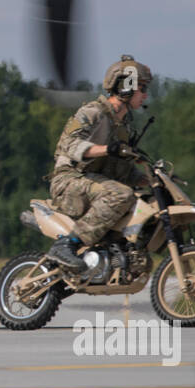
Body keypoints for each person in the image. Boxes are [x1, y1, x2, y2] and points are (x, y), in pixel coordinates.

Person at [47, 54, 153, 271]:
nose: (145, 95)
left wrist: (150, 180)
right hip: (69, 181)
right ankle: (67, 244)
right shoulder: (93, 113)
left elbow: (120, 168)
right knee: (120, 194)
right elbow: (70, 145)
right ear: (126, 87)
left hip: (94, 183)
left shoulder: (123, 125)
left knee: (142, 201)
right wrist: (108, 149)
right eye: (141, 88)